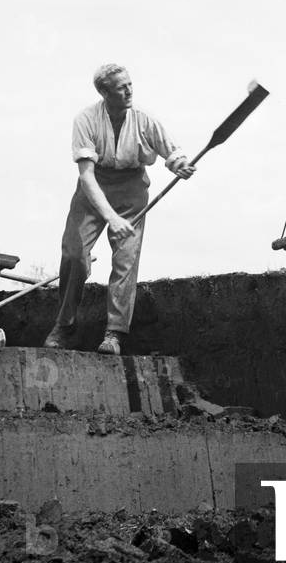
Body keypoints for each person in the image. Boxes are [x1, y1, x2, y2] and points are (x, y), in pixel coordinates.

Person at [44, 64, 195, 354]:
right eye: (121, 87)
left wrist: (181, 165)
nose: (129, 91)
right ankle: (65, 325)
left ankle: (114, 333)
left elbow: (171, 151)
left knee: (125, 260)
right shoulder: (86, 119)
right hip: (93, 188)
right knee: (74, 254)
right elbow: (86, 176)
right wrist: (111, 218)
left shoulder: (144, 119)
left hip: (131, 189)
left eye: (130, 84)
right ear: (104, 92)